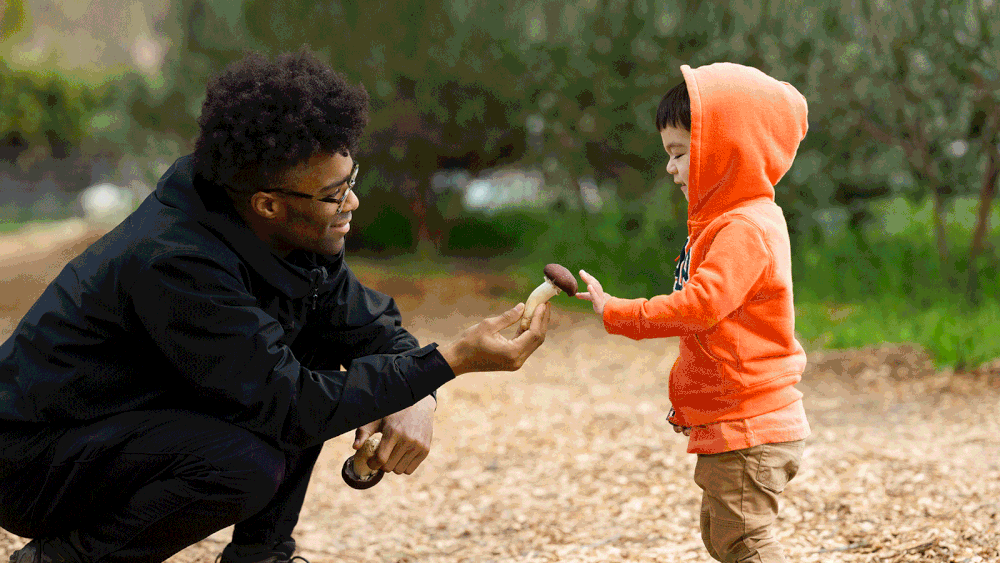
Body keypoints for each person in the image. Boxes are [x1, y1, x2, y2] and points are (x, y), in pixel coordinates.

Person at [0, 49, 550, 563]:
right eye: (336, 193)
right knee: (242, 463)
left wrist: (419, 394)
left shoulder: (289, 235)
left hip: (118, 430)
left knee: (306, 349)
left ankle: (259, 556)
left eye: (350, 179)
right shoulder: (175, 262)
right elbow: (290, 406)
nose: (352, 201)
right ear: (267, 203)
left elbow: (371, 328)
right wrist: (448, 361)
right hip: (31, 459)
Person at [575, 62, 811, 563]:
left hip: (751, 425)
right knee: (721, 535)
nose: (670, 167)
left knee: (744, 542)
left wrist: (621, 312)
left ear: (730, 151)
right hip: (734, 422)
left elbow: (700, 306)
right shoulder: (726, 223)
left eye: (680, 153)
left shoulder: (744, 228)